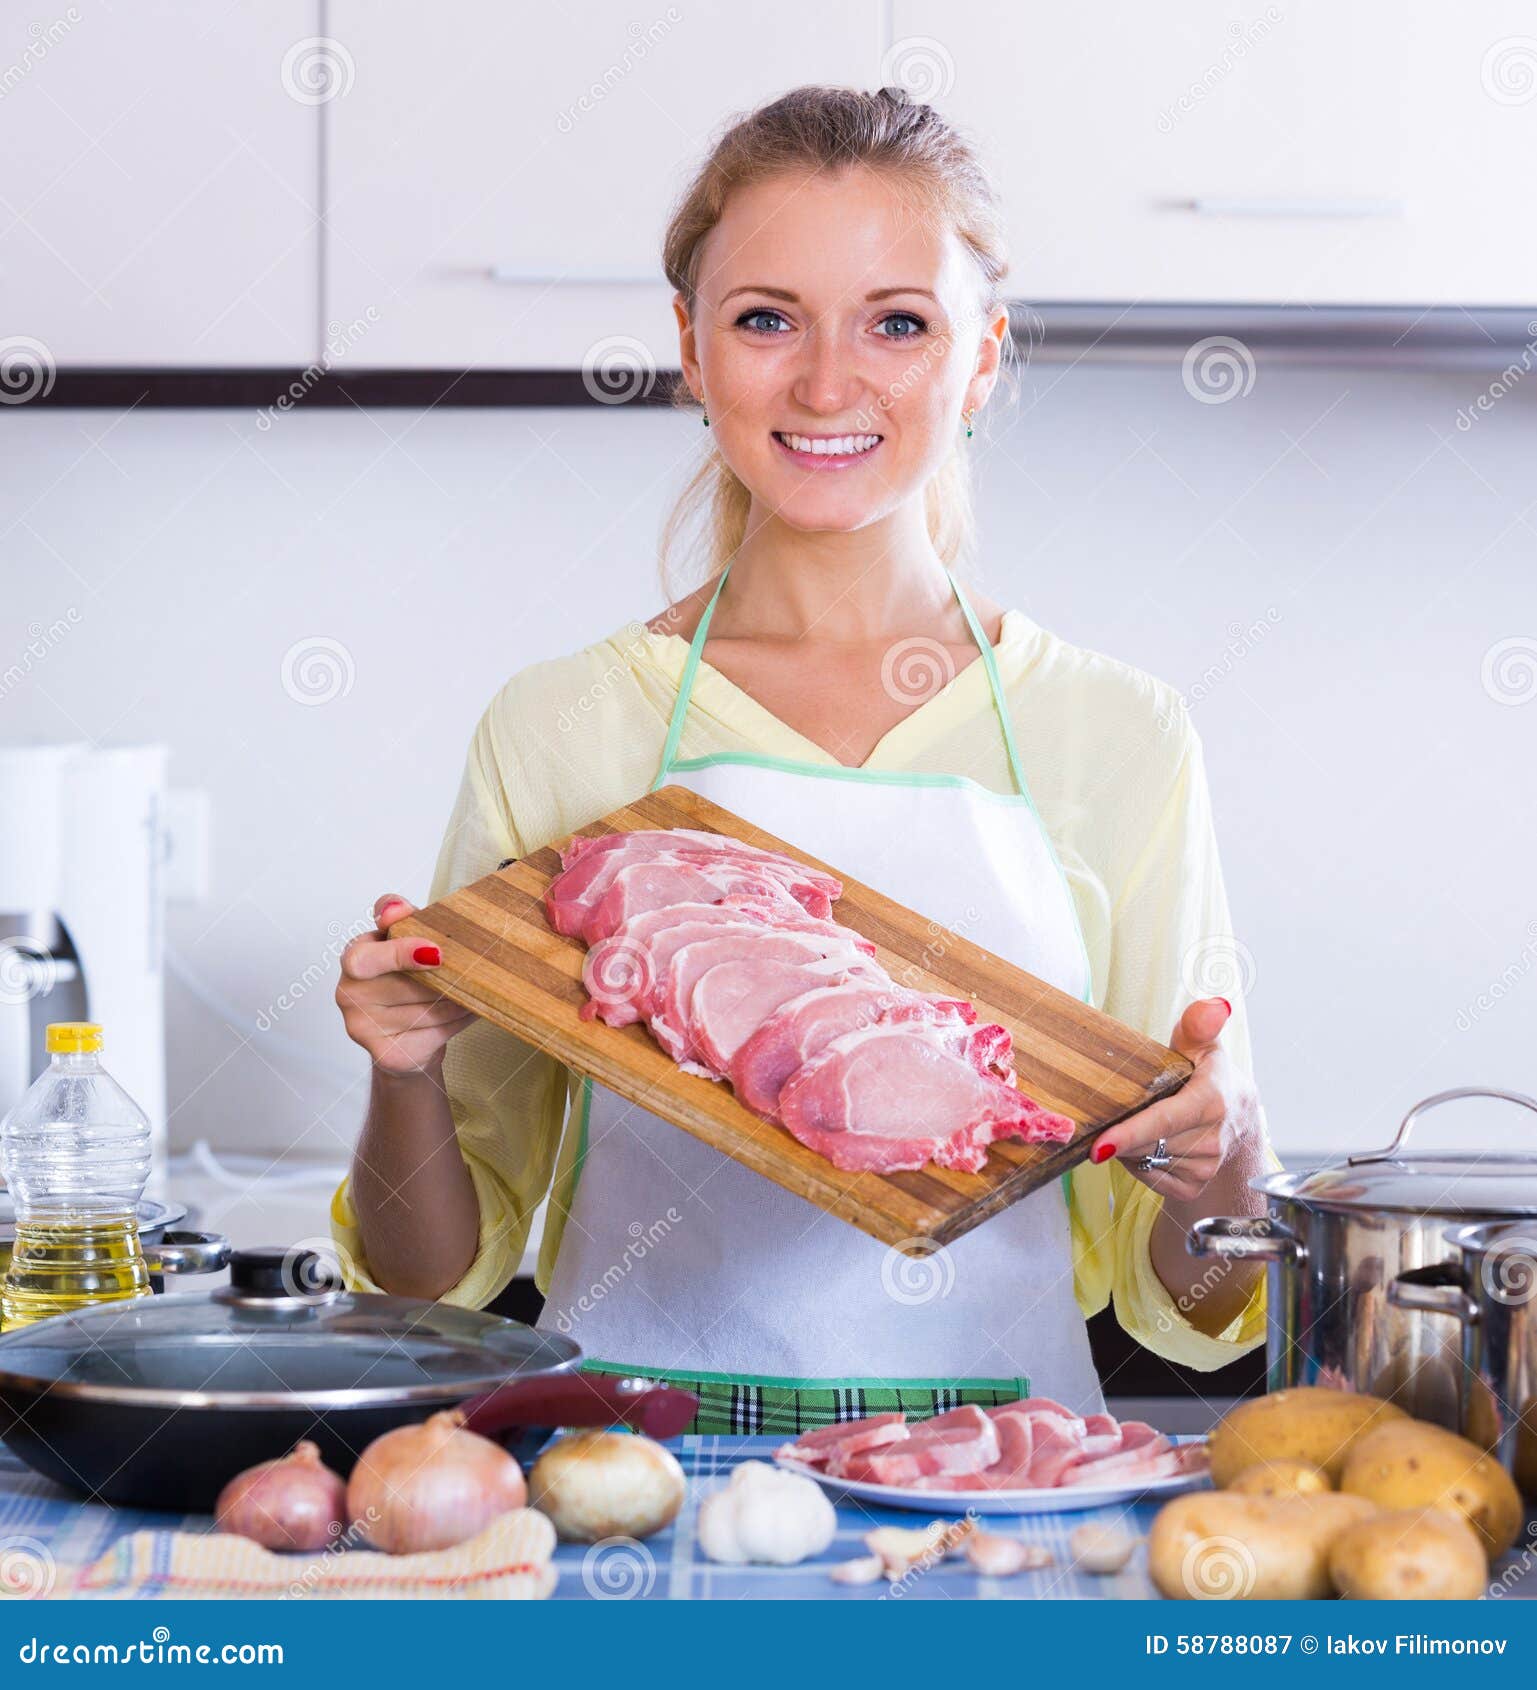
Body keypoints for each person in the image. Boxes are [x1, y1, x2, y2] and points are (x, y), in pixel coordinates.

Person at [331, 85, 1271, 1432]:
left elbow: (1191, 1303)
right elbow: (432, 1274)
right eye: (766, 318)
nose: (828, 385)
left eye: (898, 322)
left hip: (1003, 1480)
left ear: (983, 357)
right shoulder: (562, 725)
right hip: (628, 1476)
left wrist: (1223, 1156)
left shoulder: (1114, 731)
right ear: (691, 349)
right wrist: (403, 1067)